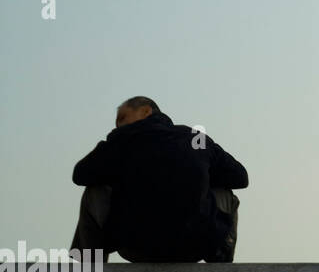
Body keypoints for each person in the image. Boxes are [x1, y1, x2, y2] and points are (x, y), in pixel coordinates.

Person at [71, 96, 248, 262]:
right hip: (195, 245)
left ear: (146, 111)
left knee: (94, 192)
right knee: (224, 193)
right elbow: (240, 177)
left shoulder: (120, 141)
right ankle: (221, 262)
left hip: (135, 246)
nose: (118, 125)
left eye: (123, 117)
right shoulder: (195, 137)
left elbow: (80, 174)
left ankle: (90, 265)